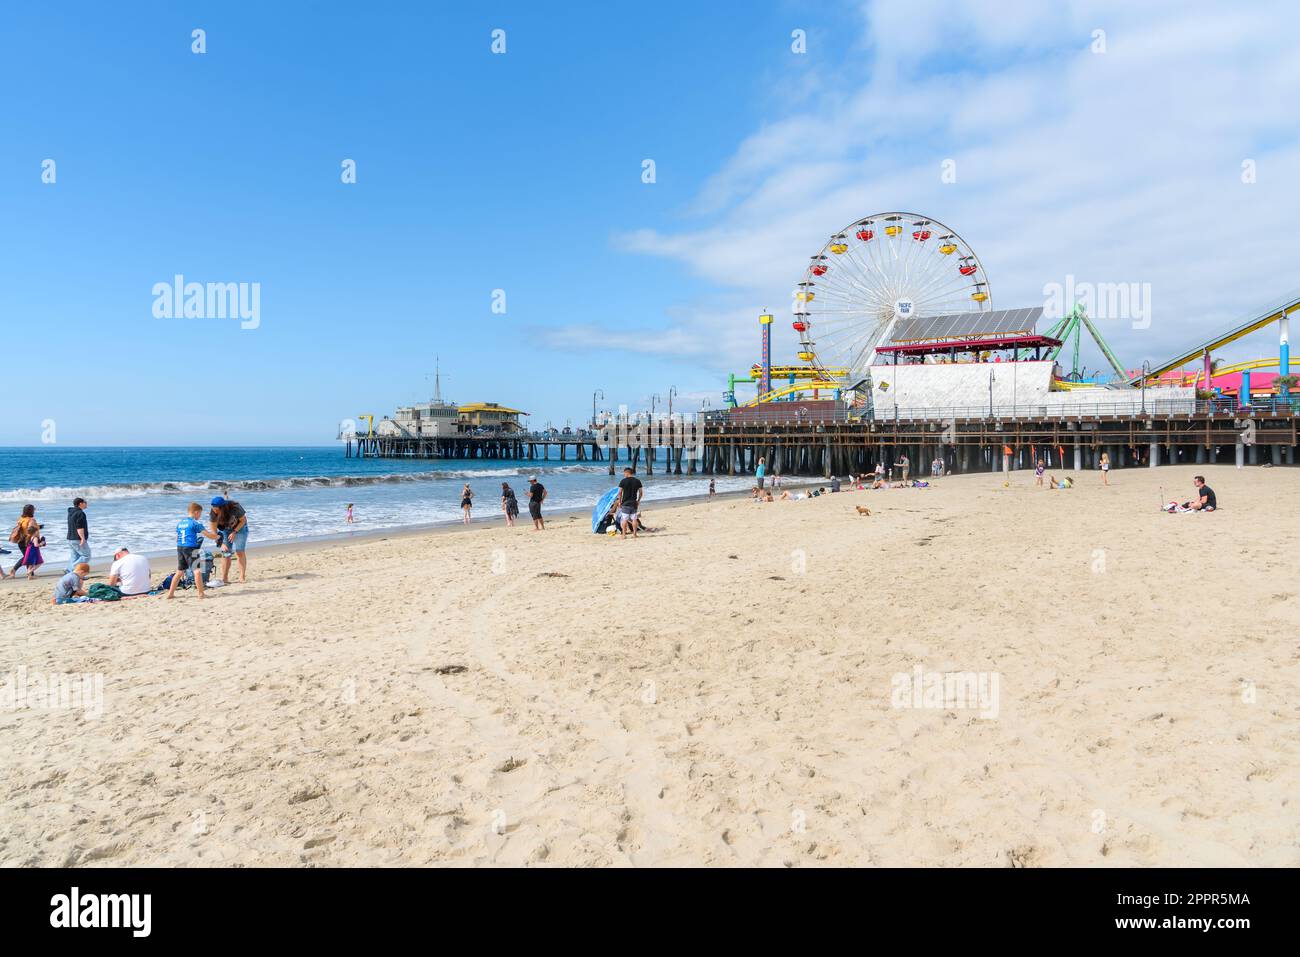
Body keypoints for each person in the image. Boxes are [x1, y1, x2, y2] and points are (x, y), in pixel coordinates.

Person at [170, 503, 220, 599]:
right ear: (196, 512)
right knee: (197, 570)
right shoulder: (195, 523)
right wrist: (217, 536)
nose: (200, 516)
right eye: (200, 513)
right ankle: (201, 594)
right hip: (191, 549)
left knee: (180, 571)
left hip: (180, 548)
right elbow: (208, 535)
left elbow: (177, 539)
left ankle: (171, 594)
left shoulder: (180, 523)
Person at [210, 496, 249, 584]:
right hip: (225, 530)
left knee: (239, 552)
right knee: (226, 553)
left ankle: (242, 576)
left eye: (216, 509)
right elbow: (214, 530)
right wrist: (221, 544)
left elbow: (243, 520)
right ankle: (225, 578)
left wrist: (235, 532)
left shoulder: (235, 507)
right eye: (213, 508)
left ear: (222, 508)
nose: (214, 510)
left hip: (240, 528)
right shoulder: (213, 512)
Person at [4, 504, 40, 579]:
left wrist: (38, 526)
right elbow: (30, 531)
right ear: (31, 511)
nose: (34, 511)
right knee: (28, 557)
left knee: (28, 557)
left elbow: (23, 529)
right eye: (33, 510)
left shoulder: (21, 519)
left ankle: (30, 574)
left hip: (20, 540)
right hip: (27, 541)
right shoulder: (31, 520)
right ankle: (14, 570)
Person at [613, 467, 643, 539]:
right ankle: (635, 534)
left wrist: (619, 502)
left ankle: (624, 535)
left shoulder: (623, 481)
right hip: (633, 503)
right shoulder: (637, 481)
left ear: (627, 473)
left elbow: (620, 493)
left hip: (625, 503)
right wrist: (638, 500)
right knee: (634, 518)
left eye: (624, 473)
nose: (624, 474)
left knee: (625, 519)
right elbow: (641, 493)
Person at [66, 496, 90, 573]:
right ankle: (71, 569)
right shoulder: (80, 513)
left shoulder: (71, 512)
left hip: (70, 538)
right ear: (80, 503)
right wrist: (82, 538)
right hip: (77, 538)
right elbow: (79, 527)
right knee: (86, 556)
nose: (86, 504)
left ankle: (71, 572)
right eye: (85, 502)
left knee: (75, 557)